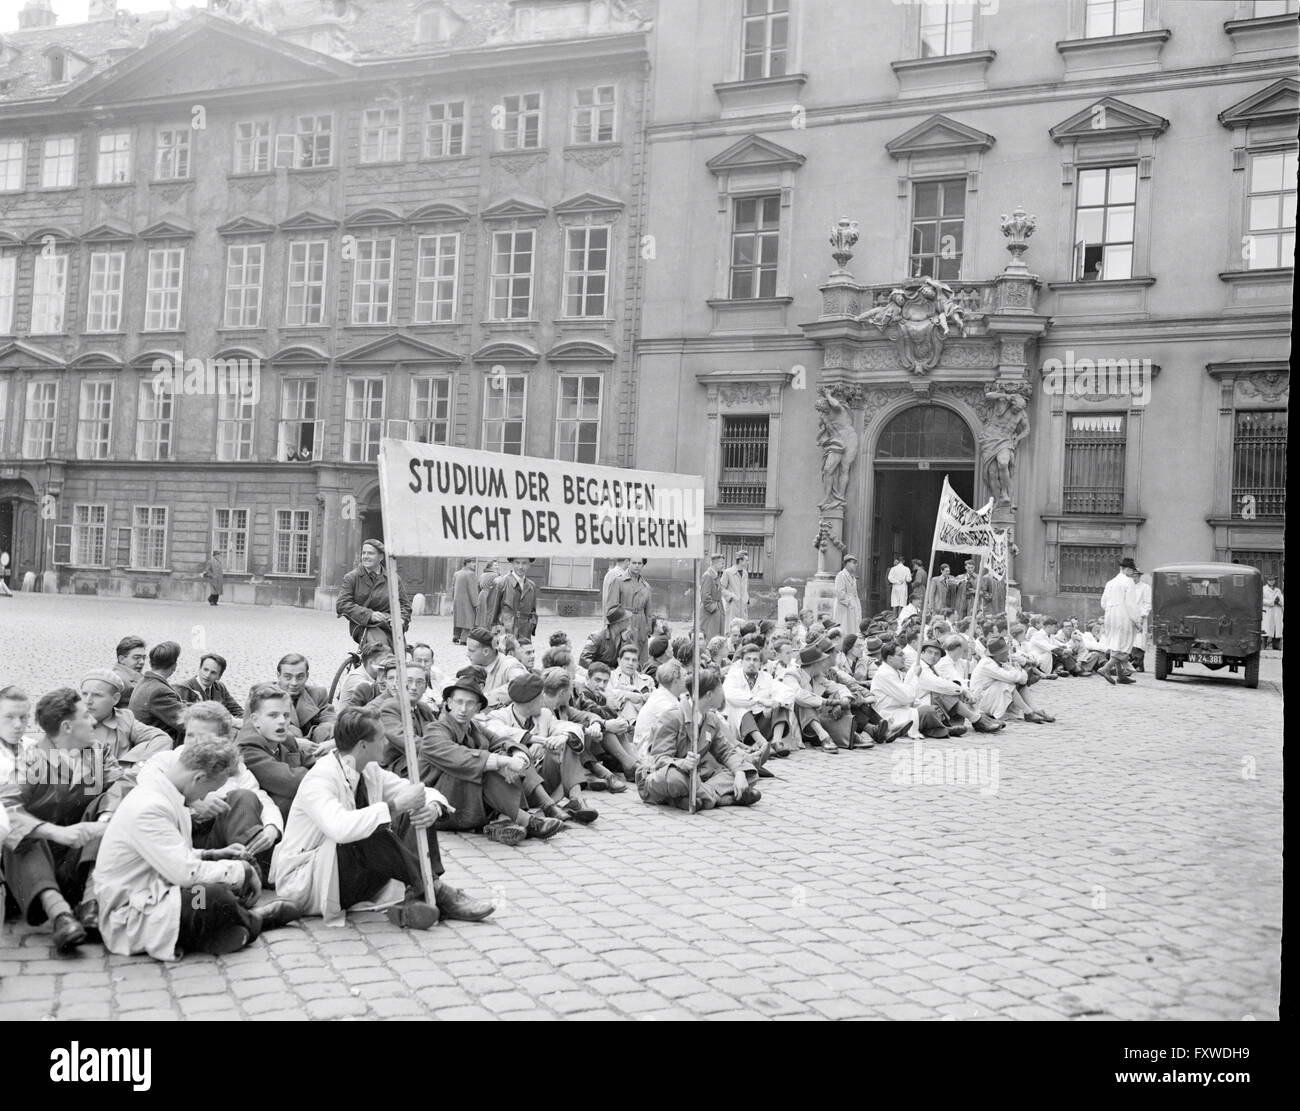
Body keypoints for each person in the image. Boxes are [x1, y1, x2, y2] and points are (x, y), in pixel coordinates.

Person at [271, 705, 494, 930]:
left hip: (350, 880)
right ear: (363, 745)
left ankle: (419, 896)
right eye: (381, 738)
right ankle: (435, 893)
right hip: (307, 883)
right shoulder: (319, 779)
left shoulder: (369, 769)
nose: (386, 743)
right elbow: (340, 828)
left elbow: (413, 790)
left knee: (415, 809)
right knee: (371, 828)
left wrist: (433, 806)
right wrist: (394, 806)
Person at [95, 729, 300, 960]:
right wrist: (241, 870)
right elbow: (185, 873)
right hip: (132, 914)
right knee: (211, 895)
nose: (208, 796)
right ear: (199, 778)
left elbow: (170, 855)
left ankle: (219, 928)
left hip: (158, 892)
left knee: (215, 885)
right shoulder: (151, 807)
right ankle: (255, 920)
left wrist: (213, 854)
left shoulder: (168, 793)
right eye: (210, 790)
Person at [392, 674, 565, 845]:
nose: (463, 709)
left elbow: (502, 741)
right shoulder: (435, 731)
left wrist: (515, 755)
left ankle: (506, 820)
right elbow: (459, 757)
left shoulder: (473, 727)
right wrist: (501, 762)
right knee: (486, 766)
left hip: (470, 801)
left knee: (505, 757)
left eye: (470, 704)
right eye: (459, 702)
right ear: (449, 703)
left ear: (477, 708)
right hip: (442, 806)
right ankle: (528, 821)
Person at [480, 672, 599, 825]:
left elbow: (568, 726)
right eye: (540, 698)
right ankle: (548, 806)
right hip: (516, 788)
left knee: (567, 740)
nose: (543, 700)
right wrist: (537, 740)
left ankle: (577, 801)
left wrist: (563, 736)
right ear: (530, 702)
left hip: (544, 779)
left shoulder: (544, 714)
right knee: (519, 752)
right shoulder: (499, 716)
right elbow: (497, 733)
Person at [637, 668, 760, 811]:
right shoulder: (672, 717)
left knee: (749, 772)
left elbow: (726, 752)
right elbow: (659, 759)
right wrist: (683, 763)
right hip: (670, 774)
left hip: (699, 777)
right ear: (709, 695)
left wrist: (739, 773)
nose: (723, 695)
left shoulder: (711, 718)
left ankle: (695, 798)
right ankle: (717, 798)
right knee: (674, 779)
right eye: (720, 690)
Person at [236, 684, 316, 820]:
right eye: (273, 715)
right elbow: (291, 782)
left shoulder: (284, 738)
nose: (282, 721)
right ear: (255, 720)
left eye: (286, 715)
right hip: (263, 824)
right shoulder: (247, 746)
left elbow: (311, 762)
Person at [79, 670, 173, 769]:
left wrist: (136, 766)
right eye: (84, 694)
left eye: (97, 695)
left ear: (115, 699)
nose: (88, 701)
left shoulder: (124, 719)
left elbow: (162, 739)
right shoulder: (70, 722)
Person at [337, 538, 412, 651]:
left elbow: (405, 605)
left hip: (389, 625)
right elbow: (342, 604)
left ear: (380, 557)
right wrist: (369, 615)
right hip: (363, 625)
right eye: (363, 553)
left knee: (402, 654)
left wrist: (401, 618)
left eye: (370, 553)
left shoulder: (393, 579)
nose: (365, 556)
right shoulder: (352, 578)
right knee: (382, 649)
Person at [722, 641, 791, 763]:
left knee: (780, 703)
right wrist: (760, 701)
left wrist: (775, 703)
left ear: (760, 663)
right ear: (741, 661)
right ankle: (763, 744)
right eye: (748, 659)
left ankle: (776, 741)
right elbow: (729, 694)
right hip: (740, 729)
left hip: (760, 724)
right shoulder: (733, 676)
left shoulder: (766, 677)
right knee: (741, 708)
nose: (751, 663)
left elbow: (786, 691)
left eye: (755, 660)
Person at [574, 662, 639, 781]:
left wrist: (620, 721)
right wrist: (609, 703)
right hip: (587, 741)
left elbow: (612, 717)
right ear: (588, 678)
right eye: (597, 680)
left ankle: (633, 761)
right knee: (606, 727)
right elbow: (594, 713)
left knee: (616, 726)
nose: (601, 684)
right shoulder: (583, 692)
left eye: (605, 681)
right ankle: (629, 764)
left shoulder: (600, 694)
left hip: (602, 744)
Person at [871, 643, 948, 740]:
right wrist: (916, 675)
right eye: (900, 655)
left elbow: (906, 696)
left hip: (902, 709)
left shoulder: (895, 671)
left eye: (903, 654)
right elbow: (907, 697)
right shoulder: (884, 674)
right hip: (890, 714)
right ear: (890, 658)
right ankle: (945, 730)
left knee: (934, 709)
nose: (904, 657)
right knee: (930, 711)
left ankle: (940, 730)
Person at [970, 637, 1053, 723]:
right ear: (999, 654)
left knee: (1019, 684)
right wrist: (1018, 670)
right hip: (980, 702)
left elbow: (1022, 680)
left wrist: (1017, 670)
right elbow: (1012, 677)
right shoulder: (987, 664)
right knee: (1005, 684)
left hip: (991, 696)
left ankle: (1036, 710)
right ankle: (1028, 712)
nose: (1008, 654)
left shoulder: (999, 663)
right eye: (1006, 651)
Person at [129, 640, 188, 745]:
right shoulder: (159, 691)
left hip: (144, 741)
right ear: (174, 665)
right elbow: (185, 723)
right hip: (158, 747)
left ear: (152, 662)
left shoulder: (144, 681)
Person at [275, 653, 336, 745]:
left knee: (326, 729)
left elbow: (330, 721)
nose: (294, 683)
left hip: (315, 749)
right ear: (278, 676)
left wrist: (322, 734)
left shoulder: (318, 694)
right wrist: (297, 742)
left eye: (300, 677)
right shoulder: (264, 696)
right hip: (281, 752)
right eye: (288, 677)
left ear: (307, 676)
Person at [1098, 557, 1142, 684]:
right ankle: (1106, 668)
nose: (1133, 573)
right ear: (1127, 569)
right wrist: (1137, 621)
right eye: (1132, 570)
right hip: (1123, 616)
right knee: (1124, 646)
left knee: (1115, 644)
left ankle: (1120, 675)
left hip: (1110, 616)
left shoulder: (1110, 582)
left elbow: (1103, 603)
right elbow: (1131, 604)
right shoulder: (1128, 582)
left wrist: (1111, 610)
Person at [464, 626, 527, 708]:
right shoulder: (474, 665)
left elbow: (520, 685)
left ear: (486, 651)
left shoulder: (510, 665)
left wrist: (482, 699)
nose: (467, 654)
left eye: (471, 650)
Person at [174, 653, 244, 721]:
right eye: (205, 670)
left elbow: (237, 710)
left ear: (219, 676)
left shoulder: (220, 687)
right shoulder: (183, 689)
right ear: (199, 669)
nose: (207, 675)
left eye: (213, 672)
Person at [333, 639, 391, 711]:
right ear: (371, 662)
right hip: (349, 720)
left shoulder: (374, 675)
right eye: (384, 660)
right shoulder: (355, 677)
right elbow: (376, 691)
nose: (388, 664)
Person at [619, 558, 653, 668]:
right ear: (628, 563)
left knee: (641, 656)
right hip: (625, 620)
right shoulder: (619, 581)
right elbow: (612, 606)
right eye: (634, 563)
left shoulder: (646, 586)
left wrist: (648, 627)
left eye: (639, 563)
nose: (637, 566)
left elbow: (648, 609)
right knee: (626, 652)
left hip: (641, 622)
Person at [497, 557, 538, 639]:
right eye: (517, 562)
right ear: (512, 563)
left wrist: (531, 625)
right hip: (506, 631)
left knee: (524, 651)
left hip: (525, 633)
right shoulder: (502, 583)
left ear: (529, 564)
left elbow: (533, 610)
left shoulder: (531, 585)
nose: (520, 567)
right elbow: (492, 612)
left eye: (524, 563)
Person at [112, 635, 148, 710]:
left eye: (144, 658)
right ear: (121, 659)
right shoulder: (118, 681)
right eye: (136, 658)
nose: (142, 662)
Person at [450, 558, 479, 645]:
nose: (475, 564)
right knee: (468, 619)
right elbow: (472, 590)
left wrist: (453, 599)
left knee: (458, 619)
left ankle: (456, 636)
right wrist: (476, 604)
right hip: (467, 601)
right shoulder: (471, 574)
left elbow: (453, 588)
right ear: (466, 563)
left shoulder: (456, 573)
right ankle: (464, 639)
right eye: (473, 562)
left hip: (457, 600)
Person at [833, 555, 863, 635]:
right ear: (847, 563)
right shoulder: (841, 575)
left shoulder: (852, 577)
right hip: (845, 606)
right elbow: (840, 592)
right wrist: (849, 602)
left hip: (852, 605)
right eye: (854, 563)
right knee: (845, 626)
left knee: (853, 626)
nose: (856, 565)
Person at [699, 553, 726, 641]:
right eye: (721, 563)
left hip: (716, 610)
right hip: (709, 614)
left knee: (717, 636)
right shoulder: (708, 576)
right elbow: (705, 596)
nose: (723, 566)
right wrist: (714, 609)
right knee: (710, 637)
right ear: (715, 563)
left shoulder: (715, 575)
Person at [720, 551, 751, 628]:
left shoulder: (745, 573)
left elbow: (745, 588)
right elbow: (721, 588)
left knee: (743, 628)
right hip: (733, 605)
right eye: (746, 560)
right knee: (732, 627)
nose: (748, 562)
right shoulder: (728, 572)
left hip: (743, 605)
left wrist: (746, 598)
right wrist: (731, 596)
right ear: (740, 561)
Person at [474, 559, 502, 628]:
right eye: (495, 565)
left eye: (498, 565)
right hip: (491, 595)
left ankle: (481, 629)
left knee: (481, 614)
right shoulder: (495, 575)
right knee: (490, 613)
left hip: (481, 595)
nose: (497, 566)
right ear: (490, 566)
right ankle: (488, 630)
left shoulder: (482, 575)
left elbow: (478, 587)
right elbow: (500, 587)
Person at [1262, 575, 1284, 651]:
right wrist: (1272, 602)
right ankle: (1263, 647)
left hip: (1276, 612)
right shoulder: (1263, 589)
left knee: (1276, 630)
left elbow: (1282, 600)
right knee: (1266, 629)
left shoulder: (1278, 590)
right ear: (1267, 581)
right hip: (1268, 611)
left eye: (1273, 580)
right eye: (1270, 580)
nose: (1271, 581)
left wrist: (1279, 602)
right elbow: (1261, 600)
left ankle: (1276, 647)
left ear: (1275, 581)